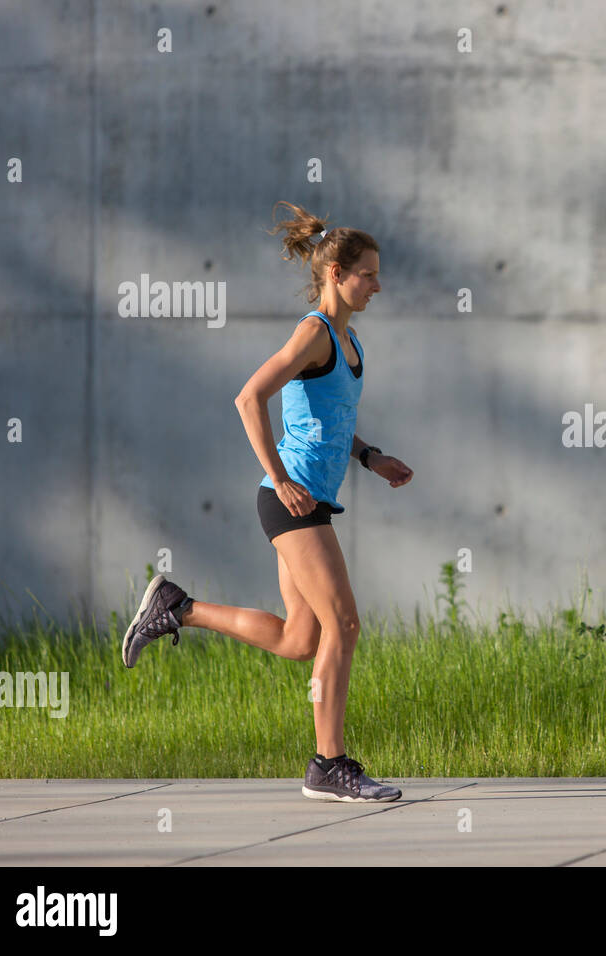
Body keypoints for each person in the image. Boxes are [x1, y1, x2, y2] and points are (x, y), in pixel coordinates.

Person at [120, 201, 414, 803]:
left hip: (311, 501)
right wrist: (279, 478)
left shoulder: (349, 341)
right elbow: (248, 399)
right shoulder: (314, 332)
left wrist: (369, 456)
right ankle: (329, 764)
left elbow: (329, 421)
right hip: (291, 503)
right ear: (336, 274)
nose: (378, 284)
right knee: (346, 624)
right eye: (368, 274)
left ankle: (179, 608)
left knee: (300, 641)